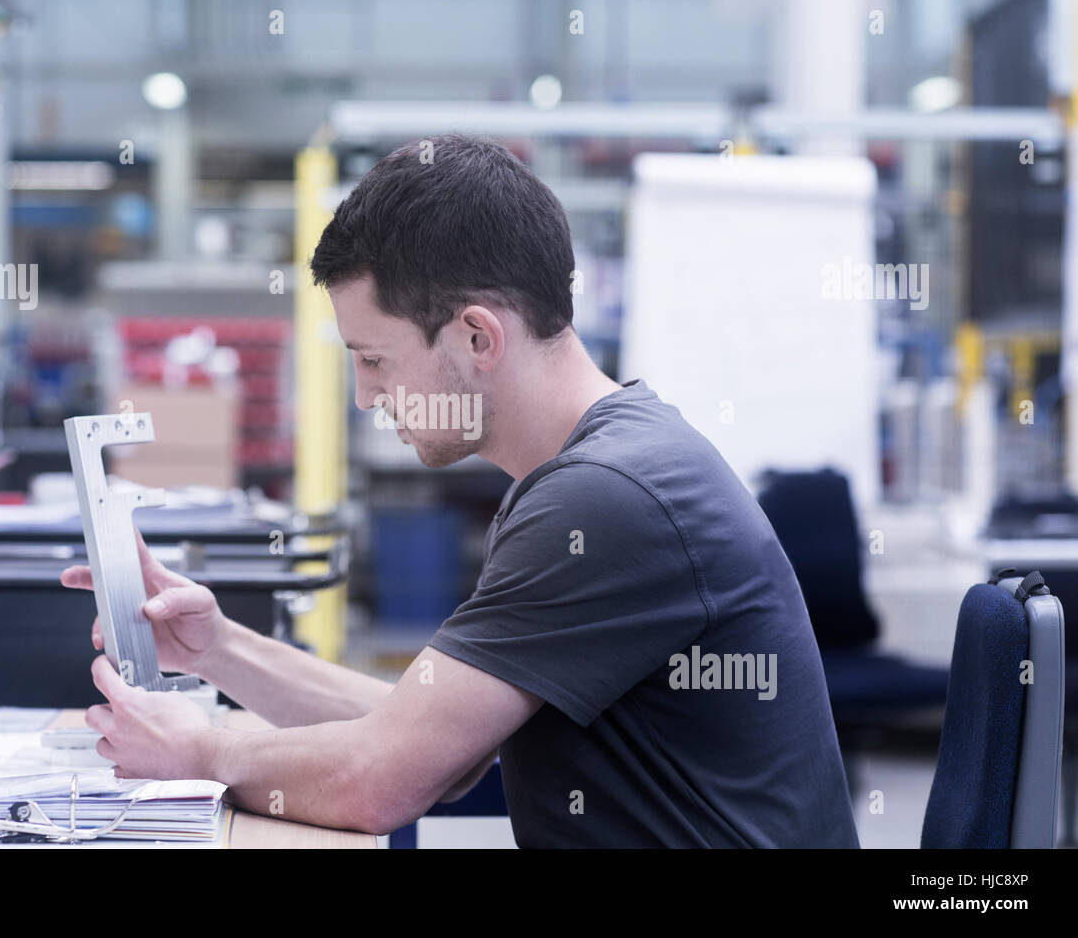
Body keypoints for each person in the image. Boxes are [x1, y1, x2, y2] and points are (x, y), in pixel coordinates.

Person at [61, 135, 859, 847]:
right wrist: (219, 649)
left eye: (374, 359)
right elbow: (422, 731)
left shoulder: (607, 499)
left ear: (478, 337)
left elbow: (384, 779)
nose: (366, 395)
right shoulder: (595, 470)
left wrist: (196, 751)